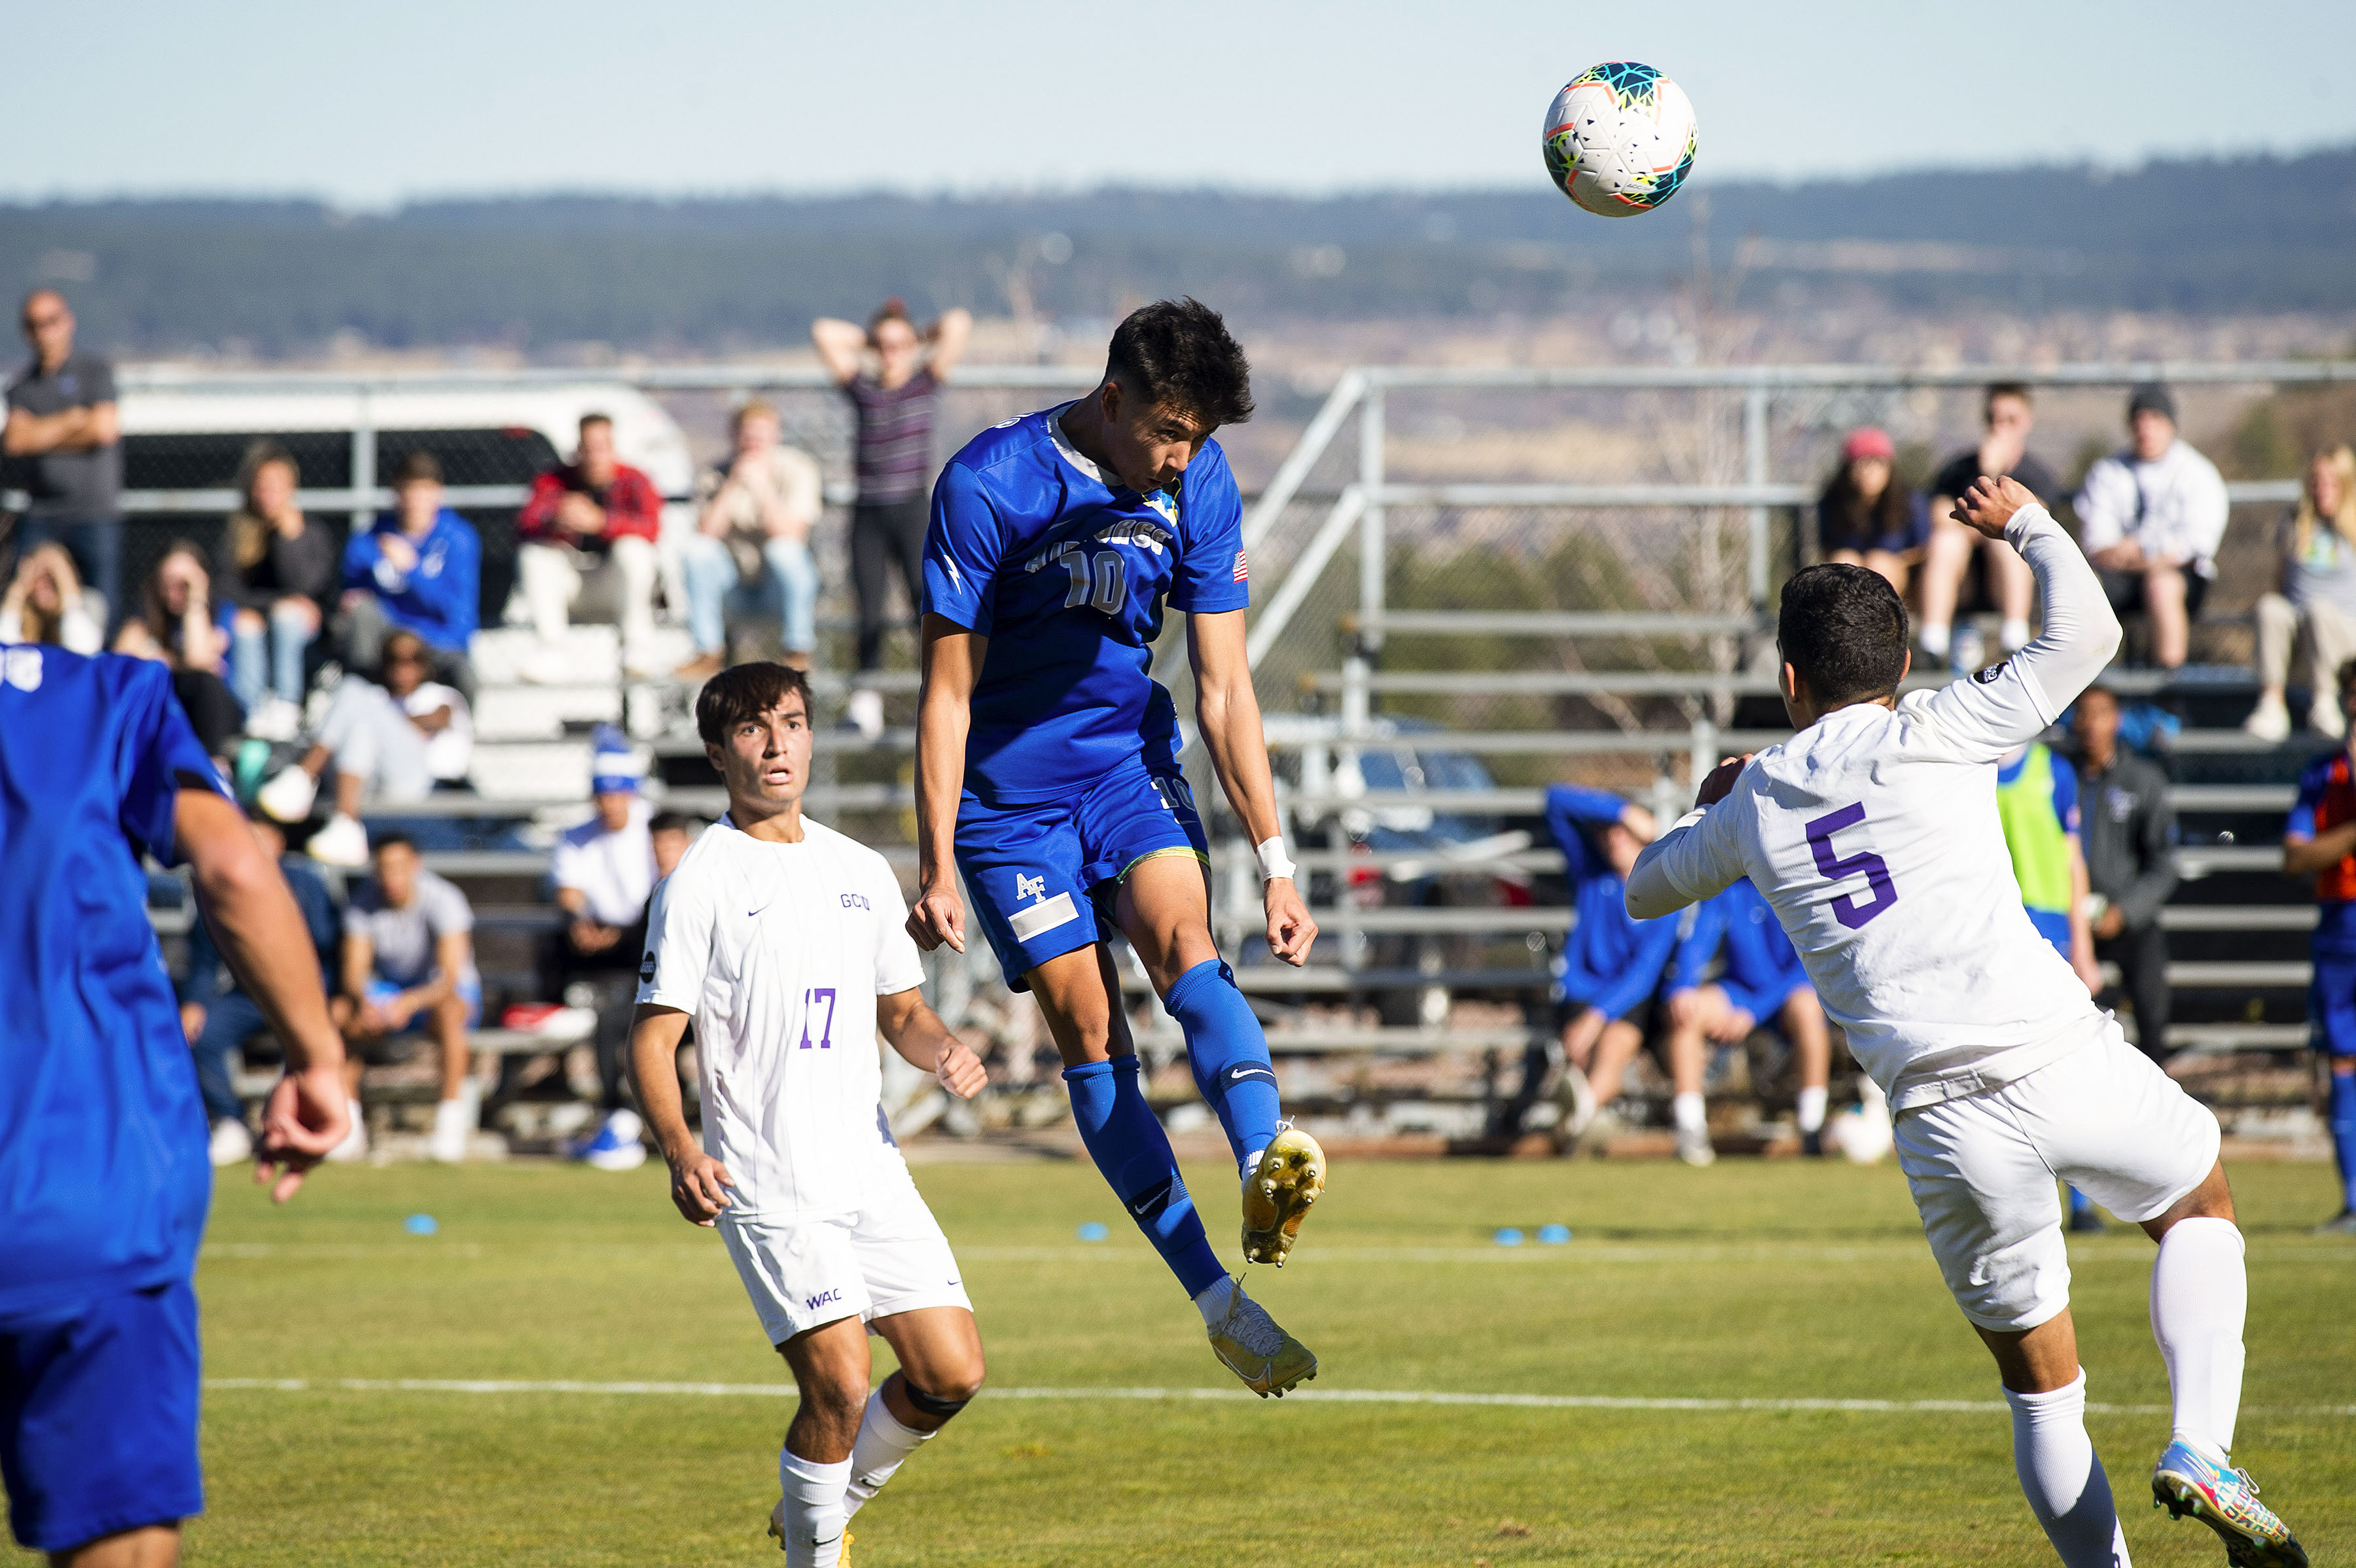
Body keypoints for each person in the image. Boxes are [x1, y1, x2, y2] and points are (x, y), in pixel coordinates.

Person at [1627, 475, 2305, 1568]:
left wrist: (1714, 800)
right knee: (2198, 1199)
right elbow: (2089, 629)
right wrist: (2027, 523)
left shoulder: (1756, 803)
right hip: (2055, 1052)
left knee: (2042, 1383)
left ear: (1790, 680)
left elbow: (1645, 890)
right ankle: (2205, 1445)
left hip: (1941, 1121)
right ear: (1899, 667)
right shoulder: (1944, 725)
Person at [908, 298, 1325, 1397]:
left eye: (1202, 439)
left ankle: (1264, 1165)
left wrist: (1276, 860)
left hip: (1125, 769)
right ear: (1114, 401)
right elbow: (946, 695)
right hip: (1006, 807)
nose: (1185, 458)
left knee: (1186, 936)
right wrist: (937, 856)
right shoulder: (989, 485)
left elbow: (1225, 687)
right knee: (1087, 1021)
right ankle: (1219, 1303)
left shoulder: (1200, 485)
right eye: (1170, 433)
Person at [628, 663, 989, 1568]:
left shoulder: (859, 869)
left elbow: (901, 1013)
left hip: (869, 1166)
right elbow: (651, 1039)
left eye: (791, 722)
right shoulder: (700, 881)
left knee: (951, 1372)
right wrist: (679, 1148)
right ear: (719, 752)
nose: (777, 743)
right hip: (769, 1176)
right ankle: (812, 1556)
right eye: (753, 730)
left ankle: (815, 1509)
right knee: (840, 1384)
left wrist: (943, 1048)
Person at [0, 640, 346, 1566]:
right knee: (120, 1537)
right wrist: (316, 1058)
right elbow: (232, 870)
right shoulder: (102, 694)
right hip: (84, 1185)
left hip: (81, 1188)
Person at [813, 299, 972, 738]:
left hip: (911, 507)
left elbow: (958, 322)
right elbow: (824, 331)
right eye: (883, 345)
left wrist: (911, 337)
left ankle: (945, 685)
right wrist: (874, 339)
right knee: (868, 602)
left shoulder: (924, 383)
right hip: (867, 508)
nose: (890, 352)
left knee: (925, 597)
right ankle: (868, 696)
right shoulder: (862, 389)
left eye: (898, 345)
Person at [1506, 785, 1673, 1150]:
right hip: (1584, 992)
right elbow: (1556, 801)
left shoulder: (1666, 890)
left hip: (1634, 998)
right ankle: (1584, 1118)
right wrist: (1622, 812)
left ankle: (1574, 1121)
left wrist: (1596, 1017)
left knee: (1614, 1045)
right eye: (1606, 830)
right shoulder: (1590, 875)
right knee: (1580, 1052)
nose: (1613, 838)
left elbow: (1643, 976)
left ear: (1644, 837)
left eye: (1622, 831)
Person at [178, 811, 342, 1167]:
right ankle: (231, 1122)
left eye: (264, 838)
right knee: (201, 1035)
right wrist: (193, 1002)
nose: (257, 847)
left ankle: (306, 1123)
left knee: (316, 1047)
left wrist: (333, 999)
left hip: (308, 997)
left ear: (281, 843)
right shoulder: (216, 885)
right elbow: (204, 958)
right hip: (247, 997)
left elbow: (332, 947)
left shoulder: (308, 885)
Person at [1995, 738, 2109, 1232]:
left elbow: (2072, 860)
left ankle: (2081, 1207)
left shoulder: (2054, 771)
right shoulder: (1969, 769)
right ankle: (2021, 1205)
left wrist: (2082, 943)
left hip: (2052, 931)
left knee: (2065, 1068)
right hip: (1996, 932)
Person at [256, 628, 473, 868]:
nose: (401, 667)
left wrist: (380, 719)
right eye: (392, 659)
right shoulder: (376, 697)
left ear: (424, 665)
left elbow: (439, 718)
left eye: (412, 660)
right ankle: (346, 825)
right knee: (358, 720)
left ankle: (304, 776)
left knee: (351, 690)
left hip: (421, 784)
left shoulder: (439, 695)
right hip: (369, 785)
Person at [334, 830, 482, 1164]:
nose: (391, 876)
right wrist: (366, 1002)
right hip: (391, 994)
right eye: (384, 867)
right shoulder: (361, 904)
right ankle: (347, 1123)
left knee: (450, 1013)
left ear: (416, 865)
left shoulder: (445, 898)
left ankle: (450, 1123)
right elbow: (354, 973)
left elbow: (449, 977)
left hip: (441, 995)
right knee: (341, 1015)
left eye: (399, 866)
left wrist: (409, 1003)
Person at [1661, 878, 1832, 1164]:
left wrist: (1754, 1011)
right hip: (1739, 993)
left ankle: (1811, 1127)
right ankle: (1690, 1129)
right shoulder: (1731, 886)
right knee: (1686, 1013)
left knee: (1807, 1008)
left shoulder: (1799, 881)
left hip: (1785, 995)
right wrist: (1683, 987)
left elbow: (1808, 965)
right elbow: (1700, 939)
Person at [550, 728, 654, 1168]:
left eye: (616, 794)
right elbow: (569, 890)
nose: (608, 804)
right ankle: (617, 1115)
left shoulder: (654, 828)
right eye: (602, 795)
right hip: (600, 946)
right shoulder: (577, 835)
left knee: (620, 1022)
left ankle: (624, 1116)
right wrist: (582, 922)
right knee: (607, 1019)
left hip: (648, 942)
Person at [2278, 655, 2356, 1237]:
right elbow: (2297, 856)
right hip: (2340, 927)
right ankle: (2353, 1201)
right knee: (2343, 1063)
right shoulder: (2322, 774)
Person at [2076, 383, 2229, 671]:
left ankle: (2168, 692)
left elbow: (2194, 547)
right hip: (2119, 575)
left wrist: (2138, 550)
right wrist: (2146, 555)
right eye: (2139, 420)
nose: (2146, 429)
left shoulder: (2197, 474)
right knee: (2085, 587)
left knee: (2161, 586)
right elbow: (2096, 545)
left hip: (2180, 579)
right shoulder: (2107, 473)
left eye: (2155, 420)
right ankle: (2091, 685)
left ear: (2170, 425)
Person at [675, 401, 825, 681]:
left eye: (762, 434)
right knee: (696, 551)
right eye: (748, 434)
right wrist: (733, 484)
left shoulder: (798, 468)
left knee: (784, 551)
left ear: (776, 435)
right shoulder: (716, 474)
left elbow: (790, 533)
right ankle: (707, 651)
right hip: (733, 586)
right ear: (734, 437)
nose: (754, 442)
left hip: (778, 589)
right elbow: (705, 532)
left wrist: (762, 488)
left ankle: (798, 648)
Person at [1922, 384, 2066, 672]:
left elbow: (2030, 520)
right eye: (1993, 419)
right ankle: (1932, 646)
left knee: (2004, 541)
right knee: (1946, 542)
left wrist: (1991, 473)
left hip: (2012, 581)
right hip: (1963, 580)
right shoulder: (1957, 469)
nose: (2000, 429)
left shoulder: (2036, 475)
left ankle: (2014, 639)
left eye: (2010, 420)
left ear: (2027, 422)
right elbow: (1939, 516)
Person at [5, 289, 123, 631]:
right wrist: (72, 420)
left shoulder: (94, 371)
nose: (45, 331)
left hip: (94, 513)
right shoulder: (21, 386)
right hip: (41, 512)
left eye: (51, 321)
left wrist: (39, 433)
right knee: (23, 600)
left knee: (101, 609)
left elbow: (103, 429)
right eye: (35, 324)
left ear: (68, 321)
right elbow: (16, 440)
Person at [2072, 684, 2178, 1063]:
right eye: (2083, 713)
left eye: (2100, 713)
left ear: (2116, 720)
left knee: (2152, 1014)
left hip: (2127, 919)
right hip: (2069, 919)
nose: (2090, 724)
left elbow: (2163, 864)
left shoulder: (2143, 780)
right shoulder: (2059, 776)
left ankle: (2157, 1094)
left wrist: (2126, 911)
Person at [514, 413, 663, 683]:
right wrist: (557, 520)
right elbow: (526, 524)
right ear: (578, 450)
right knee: (535, 554)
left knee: (635, 550)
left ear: (614, 448)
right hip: (570, 584)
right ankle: (551, 651)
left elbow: (652, 528)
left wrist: (602, 522)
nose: (595, 456)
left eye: (602, 447)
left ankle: (638, 649)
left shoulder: (635, 480)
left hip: (616, 586)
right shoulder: (554, 481)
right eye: (588, 448)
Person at [216, 440, 338, 738]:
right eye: (262, 485)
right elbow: (227, 588)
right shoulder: (238, 532)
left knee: (287, 616)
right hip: (257, 622)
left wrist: (288, 539)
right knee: (245, 622)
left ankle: (286, 704)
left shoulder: (310, 532)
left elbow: (310, 588)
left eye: (276, 485)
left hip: (306, 631)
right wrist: (268, 607)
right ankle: (251, 710)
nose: (269, 494)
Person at [339, 450, 480, 700]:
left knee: (464, 675)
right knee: (361, 613)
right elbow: (353, 600)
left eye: (424, 492)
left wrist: (412, 570)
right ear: (396, 494)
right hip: (385, 645)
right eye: (408, 491)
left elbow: (459, 617)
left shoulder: (459, 539)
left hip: (435, 643)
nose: (415, 501)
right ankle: (360, 699)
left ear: (439, 494)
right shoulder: (369, 541)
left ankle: (464, 731)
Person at [2245, 446, 2356, 741]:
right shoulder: (2293, 522)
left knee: (2318, 610)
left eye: (2333, 482)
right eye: (2317, 481)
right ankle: (2272, 702)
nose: (2323, 489)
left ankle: (2325, 701)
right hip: (2298, 633)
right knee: (2269, 606)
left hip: (2342, 632)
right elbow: (2279, 579)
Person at [113, 540, 245, 764]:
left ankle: (217, 766)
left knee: (204, 682)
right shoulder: (146, 617)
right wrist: (178, 662)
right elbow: (120, 661)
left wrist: (195, 602)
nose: (175, 590)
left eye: (184, 583)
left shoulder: (221, 613)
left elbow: (198, 659)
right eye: (167, 582)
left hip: (217, 713)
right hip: (167, 707)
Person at [1815, 427, 1927, 598]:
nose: (1869, 473)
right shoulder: (1833, 503)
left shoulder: (1910, 502)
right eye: (1862, 465)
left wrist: (1895, 561)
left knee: (1879, 564)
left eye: (1877, 464)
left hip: (1899, 578)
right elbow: (1827, 547)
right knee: (1844, 563)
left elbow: (1922, 549)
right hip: (1853, 568)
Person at [0, 540, 103, 653]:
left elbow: (84, 653)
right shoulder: (12, 611)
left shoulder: (90, 603)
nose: (46, 586)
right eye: (39, 577)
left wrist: (68, 590)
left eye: (53, 578)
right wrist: (18, 591)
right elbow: (5, 656)